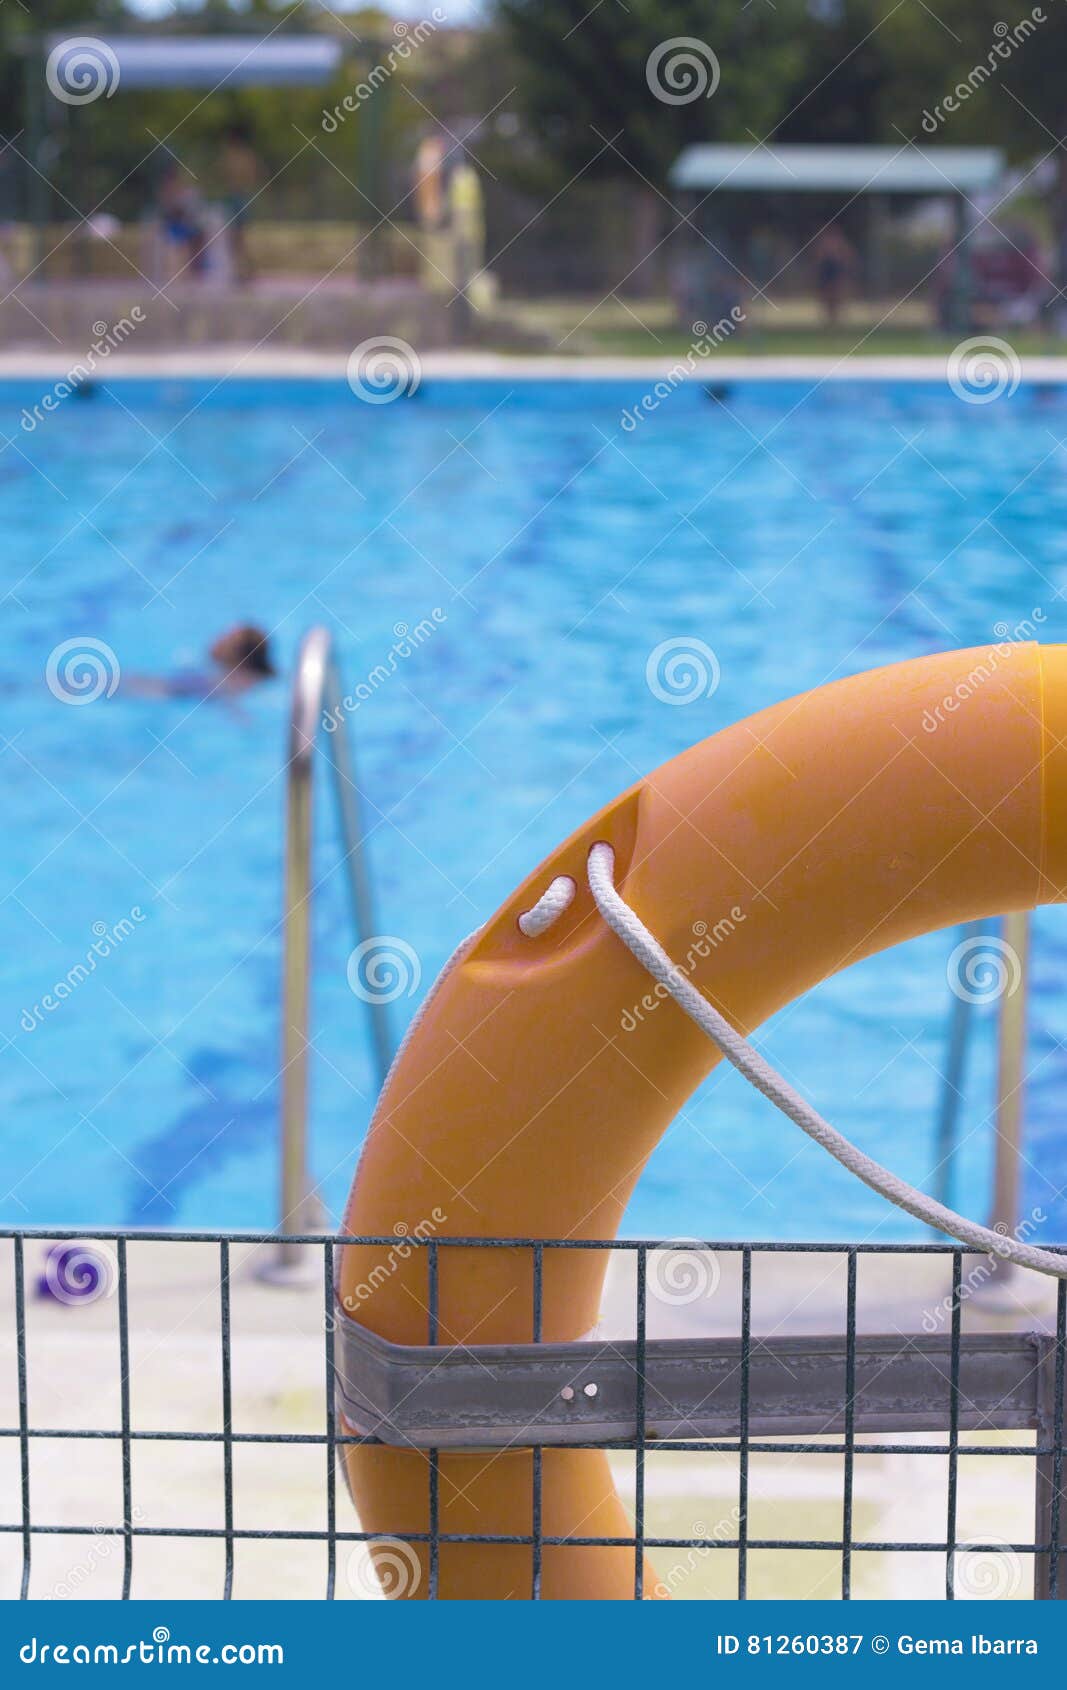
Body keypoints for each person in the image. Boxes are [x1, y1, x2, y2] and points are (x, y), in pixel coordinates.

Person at [126, 625, 277, 700]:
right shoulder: (239, 682)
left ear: (239, 659)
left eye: (226, 639)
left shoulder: (224, 684)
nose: (217, 641)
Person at [220, 124, 262, 283]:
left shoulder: (237, 156)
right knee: (236, 239)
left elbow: (243, 176)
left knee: (238, 238)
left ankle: (246, 272)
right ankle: (243, 271)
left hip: (239, 198)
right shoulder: (242, 155)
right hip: (237, 197)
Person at [813, 225, 855, 326]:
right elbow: (818, 257)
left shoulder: (839, 243)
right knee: (827, 296)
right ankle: (828, 319)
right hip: (826, 270)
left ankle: (837, 318)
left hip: (835, 269)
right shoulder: (823, 243)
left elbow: (848, 255)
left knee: (837, 295)